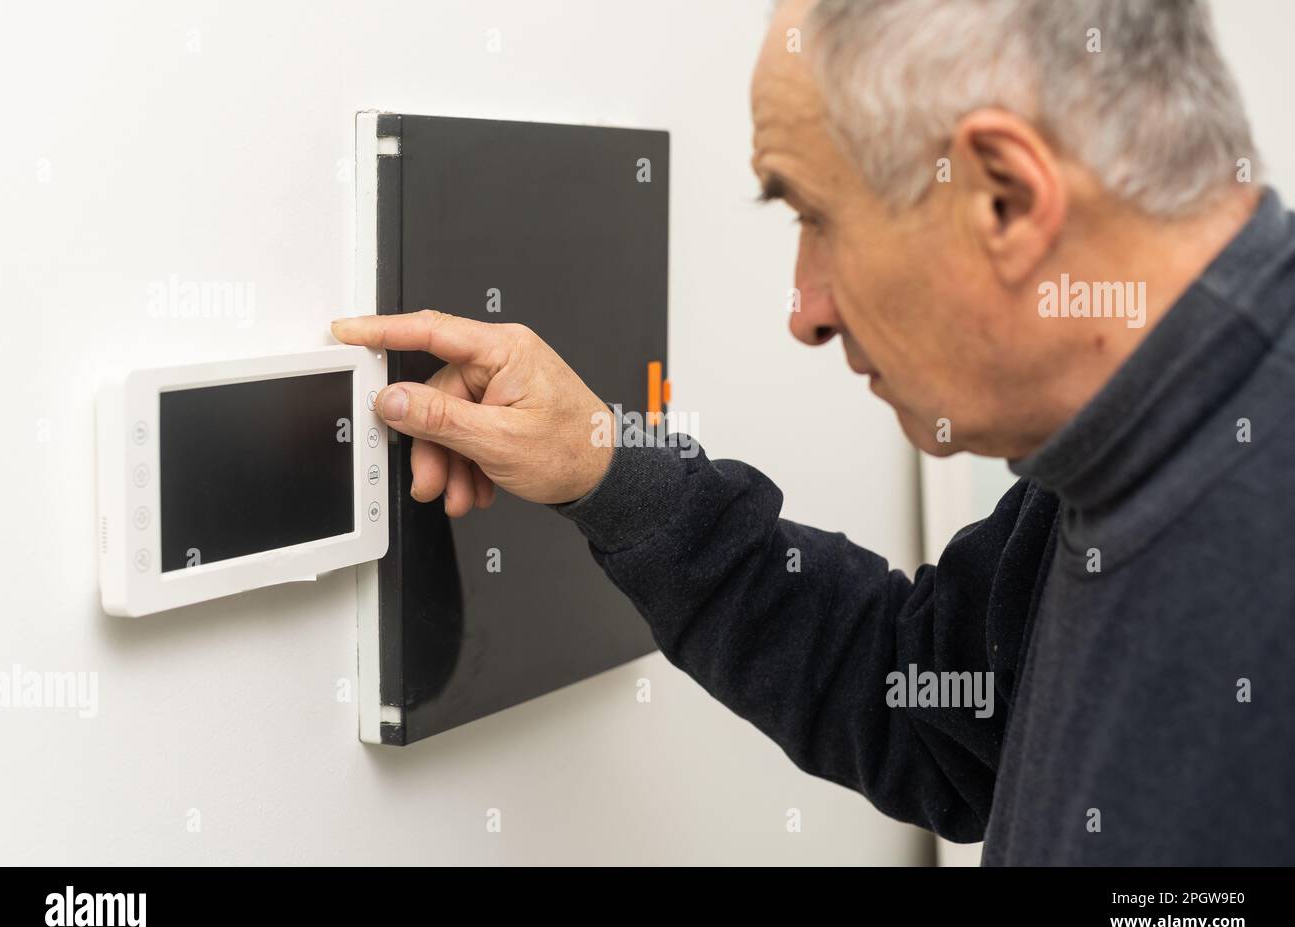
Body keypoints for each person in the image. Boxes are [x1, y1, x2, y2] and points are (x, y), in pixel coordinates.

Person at [333, 0, 1294, 864]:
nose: (806, 310)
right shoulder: (1114, 454)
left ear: (1005, 194)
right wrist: (607, 467)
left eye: (817, 215)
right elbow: (931, 711)